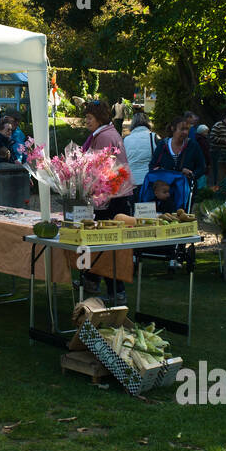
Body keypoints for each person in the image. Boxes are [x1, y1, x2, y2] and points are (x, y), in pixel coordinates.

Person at [80, 100, 135, 304]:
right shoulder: (109, 133)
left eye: (89, 118)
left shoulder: (103, 137)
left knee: (105, 243)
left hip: (111, 197)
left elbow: (99, 170)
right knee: (106, 243)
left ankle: (112, 289)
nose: (86, 121)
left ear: (99, 118)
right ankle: (94, 279)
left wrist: (88, 188)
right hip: (118, 195)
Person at [150, 115, 206, 185]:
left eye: (187, 129)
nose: (185, 132)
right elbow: (152, 166)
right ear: (173, 129)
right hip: (165, 190)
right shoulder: (163, 145)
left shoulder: (193, 145)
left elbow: (201, 167)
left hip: (185, 190)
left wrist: (192, 175)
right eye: (182, 129)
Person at [123, 112, 156, 190]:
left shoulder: (126, 139)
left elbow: (124, 161)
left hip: (131, 181)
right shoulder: (153, 137)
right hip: (149, 180)